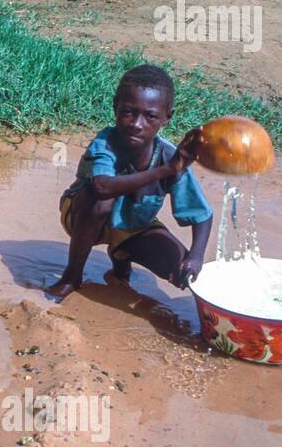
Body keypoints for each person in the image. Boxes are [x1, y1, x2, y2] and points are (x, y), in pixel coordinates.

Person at [47, 65, 213, 300]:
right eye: (128, 112)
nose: (137, 123)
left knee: (182, 271)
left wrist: (196, 257)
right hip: (81, 216)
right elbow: (102, 187)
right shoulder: (106, 143)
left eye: (150, 116)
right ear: (116, 107)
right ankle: (71, 276)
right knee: (99, 202)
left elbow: (202, 215)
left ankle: (121, 258)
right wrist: (164, 171)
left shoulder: (170, 157)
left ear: (167, 117)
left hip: (134, 224)